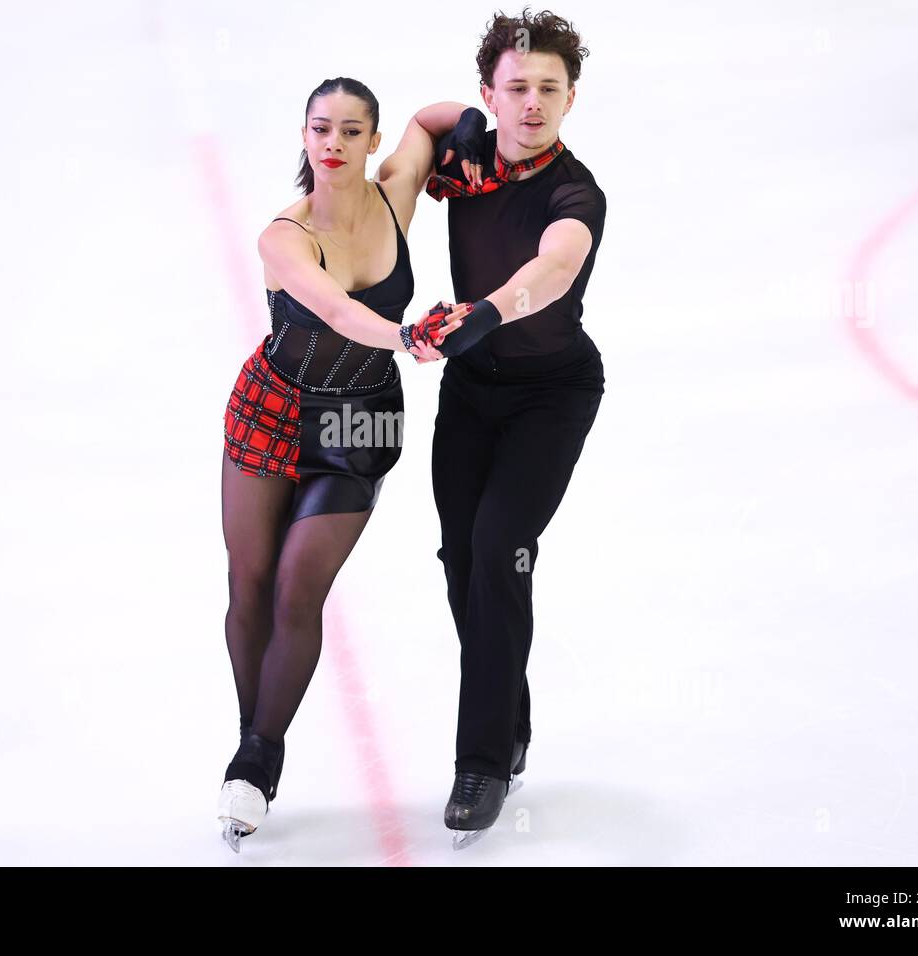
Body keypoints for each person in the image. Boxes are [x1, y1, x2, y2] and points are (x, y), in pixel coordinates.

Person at [217, 76, 465, 851]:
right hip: (271, 409)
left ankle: (257, 757)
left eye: (351, 131)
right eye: (320, 129)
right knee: (249, 584)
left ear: (371, 140)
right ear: (304, 137)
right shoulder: (283, 237)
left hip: (359, 417)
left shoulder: (398, 192)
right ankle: (257, 719)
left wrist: (478, 138)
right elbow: (334, 310)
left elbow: (437, 116)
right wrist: (409, 336)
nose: (333, 144)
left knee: (298, 587)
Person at [412, 8, 609, 848]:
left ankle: (484, 760)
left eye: (549, 89)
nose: (532, 103)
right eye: (517, 87)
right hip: (470, 391)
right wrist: (399, 181)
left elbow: (555, 266)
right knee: (466, 565)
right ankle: (512, 720)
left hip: (551, 394)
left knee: (499, 550)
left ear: (572, 98)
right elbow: (425, 121)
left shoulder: (575, 189)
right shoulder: (465, 148)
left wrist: (488, 311)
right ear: (489, 93)